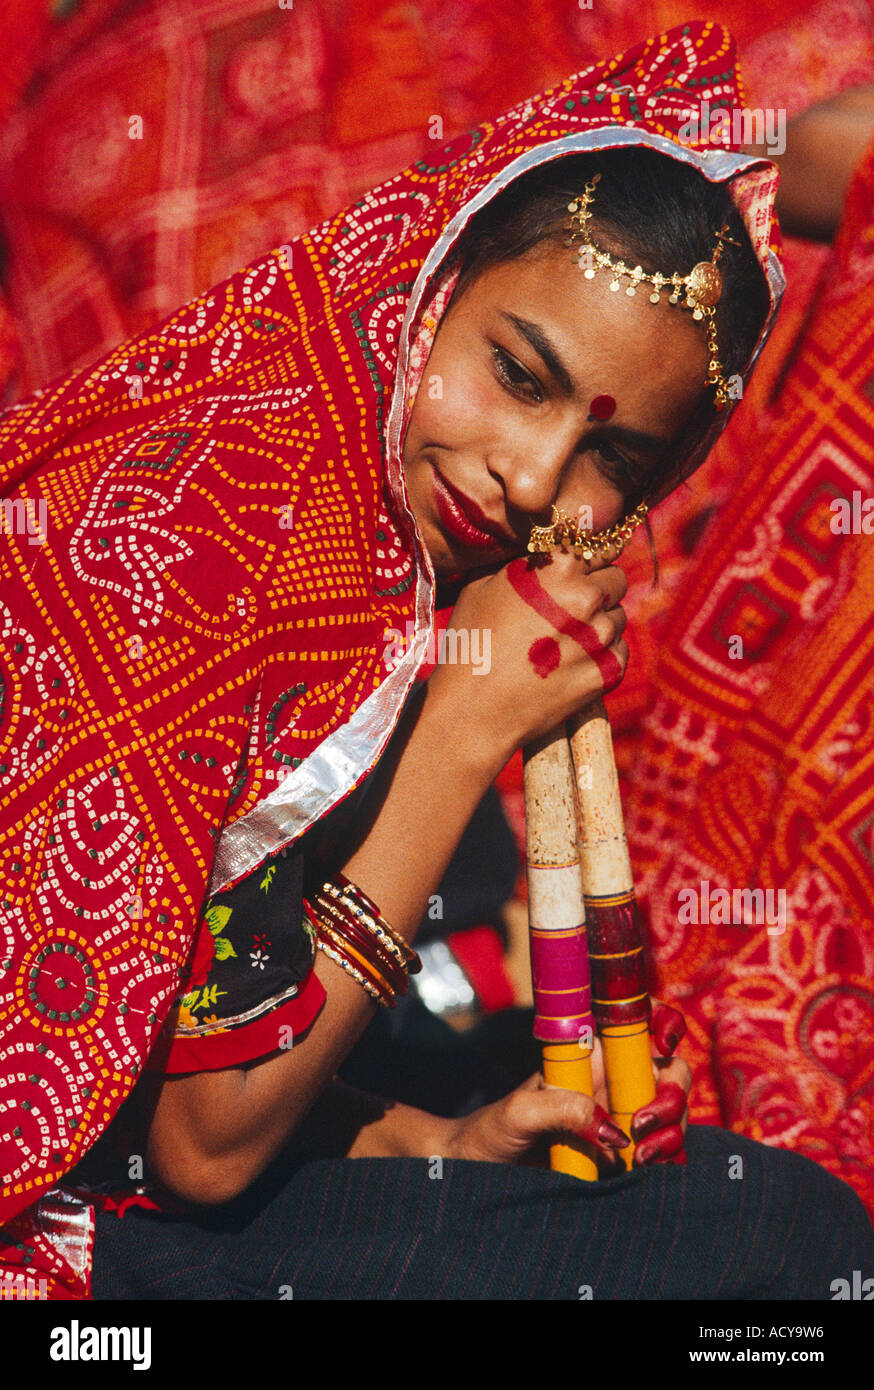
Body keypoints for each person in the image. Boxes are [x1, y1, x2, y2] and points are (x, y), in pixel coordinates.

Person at [1, 22, 871, 1301]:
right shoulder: (211, 545)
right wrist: (463, 730)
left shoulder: (368, 558)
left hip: (138, 1167)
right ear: (425, 285)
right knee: (780, 1254)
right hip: (55, 1240)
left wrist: (433, 1141)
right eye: (518, 374)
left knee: (767, 1218)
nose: (533, 475)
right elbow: (204, 1147)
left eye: (613, 458)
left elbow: (162, 1057)